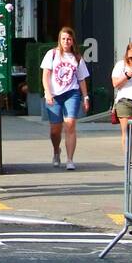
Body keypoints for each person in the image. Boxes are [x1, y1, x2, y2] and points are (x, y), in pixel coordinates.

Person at [41, 26, 91, 170]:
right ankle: (56, 151)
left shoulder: (77, 57)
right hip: (55, 95)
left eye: (68, 39)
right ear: (59, 40)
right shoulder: (52, 54)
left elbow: (81, 79)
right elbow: (45, 76)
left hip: (72, 93)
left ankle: (70, 159)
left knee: (70, 125)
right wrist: (48, 92)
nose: (66, 41)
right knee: (55, 130)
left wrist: (85, 97)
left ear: (72, 40)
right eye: (63, 39)